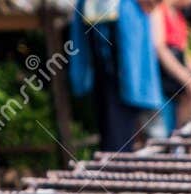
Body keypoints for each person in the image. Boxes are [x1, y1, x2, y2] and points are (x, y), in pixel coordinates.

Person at [70, 0, 163, 153]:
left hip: (115, 26)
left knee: (120, 124)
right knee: (114, 126)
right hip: (108, 31)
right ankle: (115, 165)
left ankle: (116, 163)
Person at [154, 0, 191, 131]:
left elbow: (186, 60)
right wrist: (188, 80)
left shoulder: (180, 17)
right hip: (164, 72)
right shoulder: (159, 10)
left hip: (177, 69)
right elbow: (160, 49)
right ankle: (178, 136)